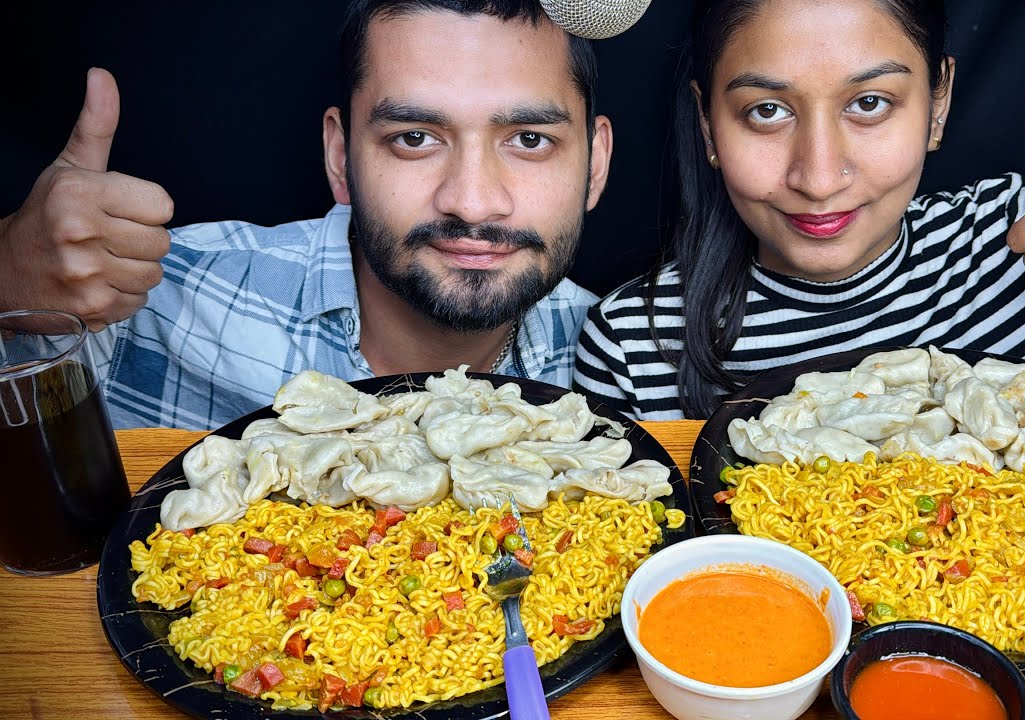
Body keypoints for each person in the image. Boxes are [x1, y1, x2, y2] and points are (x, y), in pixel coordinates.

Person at [571, 0, 1025, 420]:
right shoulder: (635, 346)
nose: (819, 176)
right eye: (765, 111)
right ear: (707, 128)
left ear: (937, 103)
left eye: (870, 103)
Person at [0, 0, 613, 430]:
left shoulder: (624, 358)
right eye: (415, 138)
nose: (473, 201)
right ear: (341, 157)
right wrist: (5, 284)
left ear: (594, 163)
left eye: (529, 139)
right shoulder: (149, 297)